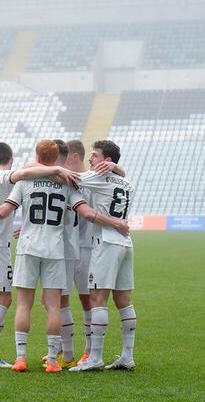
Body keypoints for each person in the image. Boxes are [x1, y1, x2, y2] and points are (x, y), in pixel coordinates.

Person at [0, 140, 129, 373]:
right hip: (60, 248)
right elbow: (87, 212)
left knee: (27, 304)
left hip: (36, 247)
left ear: (38, 158)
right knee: (56, 304)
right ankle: (56, 358)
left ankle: (23, 357)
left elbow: (5, 210)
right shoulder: (70, 183)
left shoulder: (28, 181)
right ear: (59, 157)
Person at [0, 141, 79, 369]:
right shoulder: (13, 177)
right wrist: (58, 170)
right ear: (10, 160)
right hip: (24, 247)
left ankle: (1, 354)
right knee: (18, 301)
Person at [70, 140, 137, 372]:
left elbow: (69, 178)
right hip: (125, 243)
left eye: (95, 156)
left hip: (105, 243)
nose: (91, 159)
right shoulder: (127, 182)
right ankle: (127, 356)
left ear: (106, 161)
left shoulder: (97, 178)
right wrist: (118, 169)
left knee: (97, 299)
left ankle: (95, 357)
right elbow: (119, 173)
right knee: (124, 301)